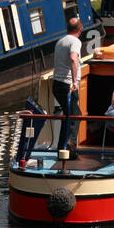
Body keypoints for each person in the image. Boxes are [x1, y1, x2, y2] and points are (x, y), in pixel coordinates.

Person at [52, 17, 83, 152]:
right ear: (80, 29)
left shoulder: (60, 41)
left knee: (67, 116)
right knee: (76, 115)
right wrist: (75, 81)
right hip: (67, 85)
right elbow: (73, 58)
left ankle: (61, 148)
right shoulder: (75, 41)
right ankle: (70, 146)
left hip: (57, 84)